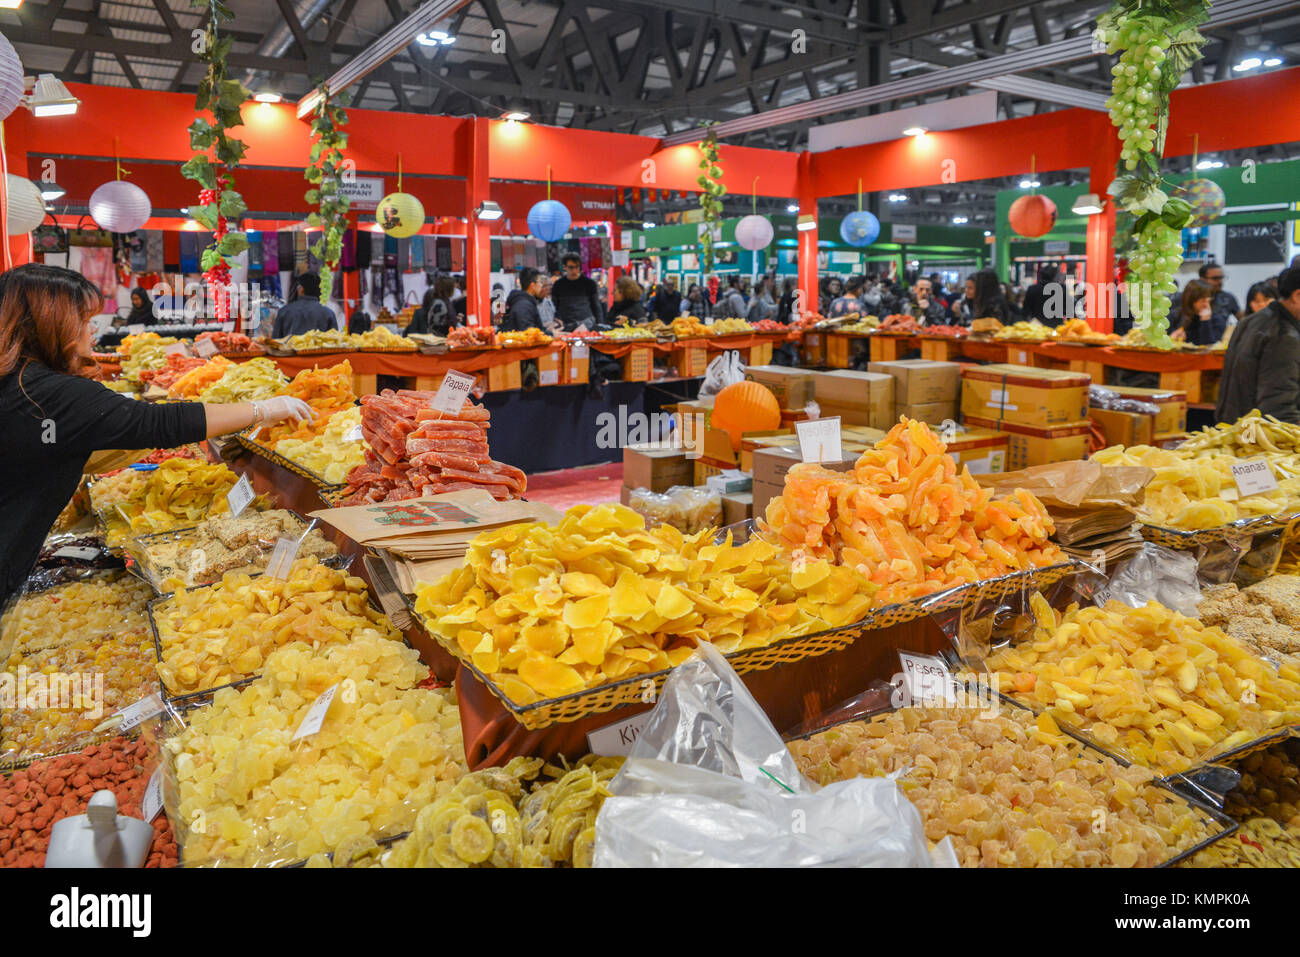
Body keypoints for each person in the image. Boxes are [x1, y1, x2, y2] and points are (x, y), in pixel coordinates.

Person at [0, 264, 313, 606]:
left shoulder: (19, 382)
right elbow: (158, 422)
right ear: (54, 324)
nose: (93, 330)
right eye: (86, 319)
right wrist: (261, 409)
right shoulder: (51, 395)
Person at [1216, 267, 1300, 424]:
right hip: (1258, 433)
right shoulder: (1283, 335)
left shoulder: (1249, 321)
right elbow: (1279, 409)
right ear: (1297, 295)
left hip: (1236, 427)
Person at [1167, 261, 1241, 330]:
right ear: (1202, 279)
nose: (1220, 282)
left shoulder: (1228, 298)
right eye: (1215, 278)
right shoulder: (1184, 298)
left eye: (1221, 278)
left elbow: (1241, 319)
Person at [272, 273, 337, 338]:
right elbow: (335, 340)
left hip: (290, 345)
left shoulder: (284, 311)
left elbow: (276, 340)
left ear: (301, 290)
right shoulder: (329, 314)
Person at [551, 253, 602, 331]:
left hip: (586, 324)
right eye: (571, 267)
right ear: (564, 267)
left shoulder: (589, 283)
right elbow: (554, 306)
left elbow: (596, 305)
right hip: (565, 325)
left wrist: (600, 325)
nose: (574, 270)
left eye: (577, 267)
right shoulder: (558, 285)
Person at [1169, 279, 1223, 345]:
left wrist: (1205, 320)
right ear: (1191, 300)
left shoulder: (1216, 319)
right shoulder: (1176, 315)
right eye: (1203, 301)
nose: (1207, 305)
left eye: (1209, 301)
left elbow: (1209, 346)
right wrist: (1171, 338)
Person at [501, 268, 545, 332]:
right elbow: (529, 332)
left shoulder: (525, 301)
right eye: (540, 282)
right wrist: (549, 334)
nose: (541, 285)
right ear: (532, 285)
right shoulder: (523, 305)